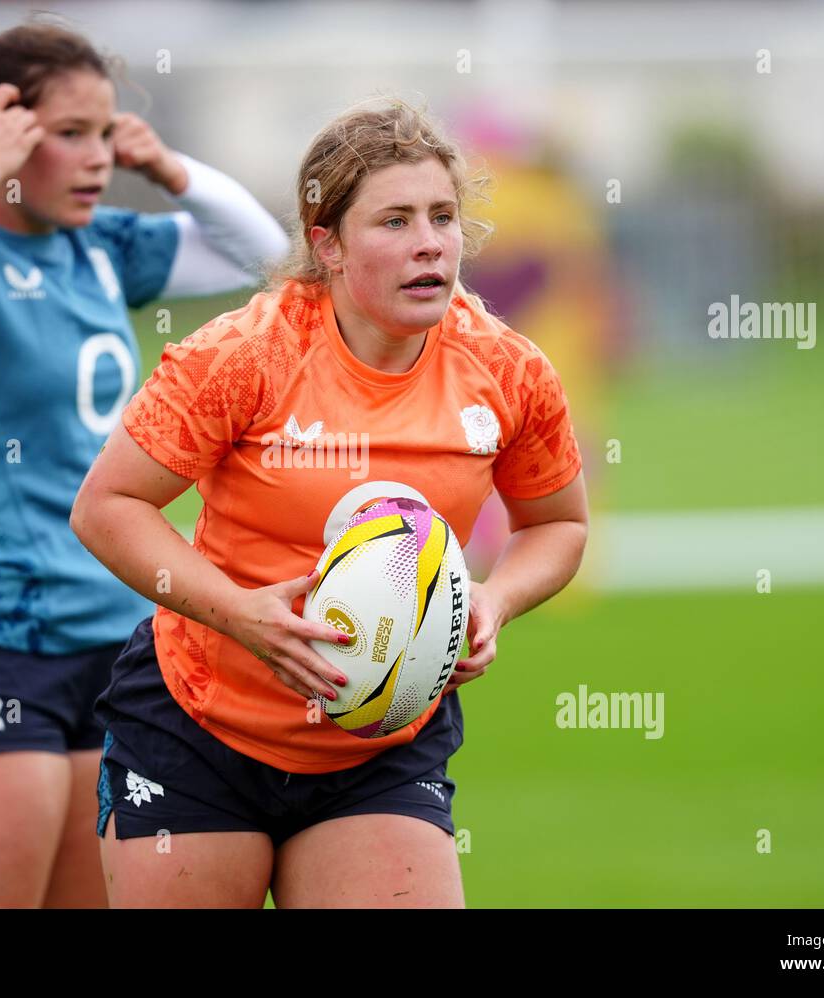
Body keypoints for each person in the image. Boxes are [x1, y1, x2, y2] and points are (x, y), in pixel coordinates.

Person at [71, 98, 590, 907]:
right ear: (329, 246)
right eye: (394, 221)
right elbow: (107, 508)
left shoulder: (508, 368)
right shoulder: (243, 355)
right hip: (196, 733)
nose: (429, 243)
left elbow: (557, 523)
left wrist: (497, 599)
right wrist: (239, 613)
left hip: (377, 750)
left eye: (443, 217)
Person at [0, 21, 288, 907]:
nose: (96, 159)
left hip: (119, 651)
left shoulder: (97, 247)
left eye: (104, 134)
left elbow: (269, 258)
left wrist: (173, 171)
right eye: (69, 134)